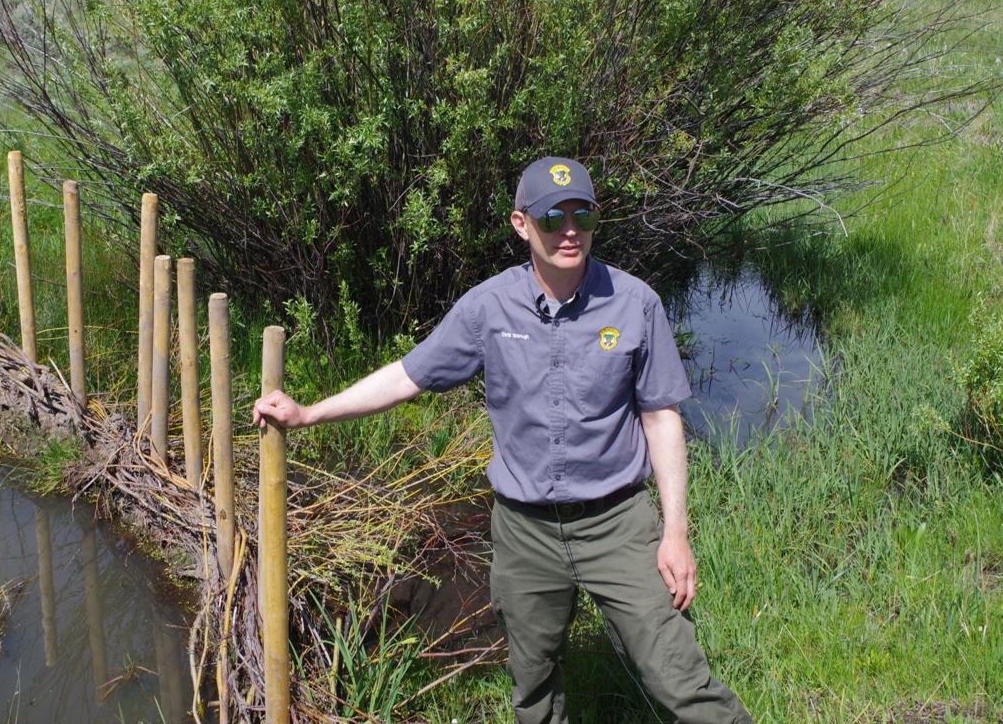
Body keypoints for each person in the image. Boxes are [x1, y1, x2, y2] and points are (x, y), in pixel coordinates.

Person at [252, 157, 752, 723]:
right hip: (524, 531)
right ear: (521, 224)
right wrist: (310, 413)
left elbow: (661, 418)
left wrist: (676, 532)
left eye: (582, 215)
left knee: (678, 678)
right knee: (534, 688)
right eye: (552, 217)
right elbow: (407, 376)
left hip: (618, 523)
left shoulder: (635, 302)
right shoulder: (489, 307)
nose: (569, 231)